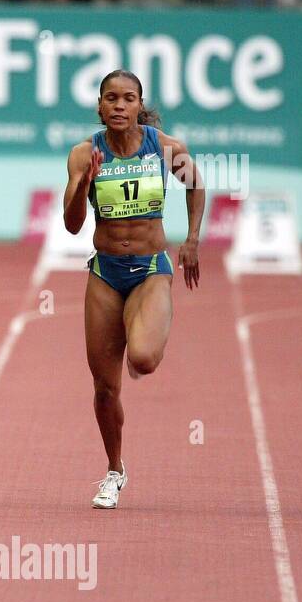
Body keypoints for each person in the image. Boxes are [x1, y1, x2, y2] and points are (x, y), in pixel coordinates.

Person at [61, 69, 204, 509]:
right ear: (99, 107)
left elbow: (196, 184)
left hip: (149, 268)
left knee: (142, 358)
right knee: (105, 387)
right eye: (111, 98)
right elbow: (71, 225)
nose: (119, 106)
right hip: (105, 273)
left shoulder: (165, 147)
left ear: (139, 105)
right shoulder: (84, 154)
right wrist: (84, 185)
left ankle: (144, 336)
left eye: (128, 98)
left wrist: (192, 239)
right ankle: (114, 470)